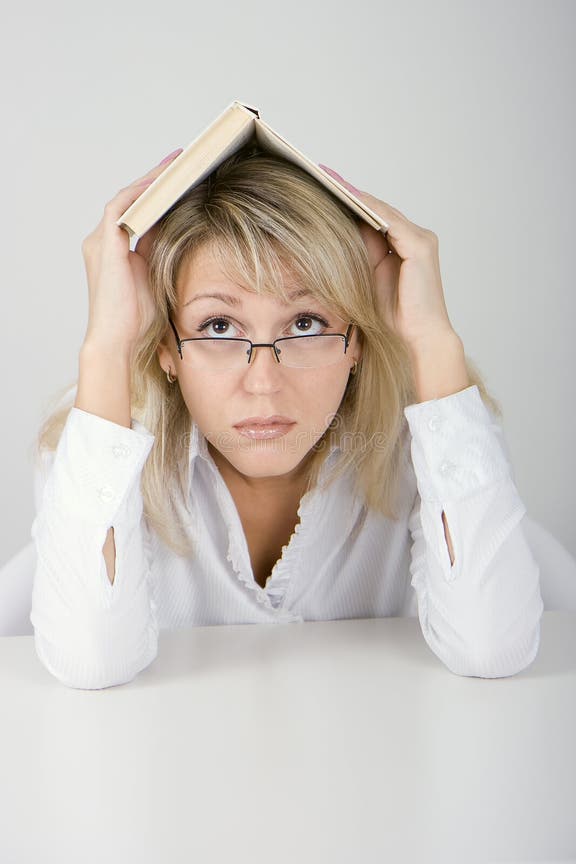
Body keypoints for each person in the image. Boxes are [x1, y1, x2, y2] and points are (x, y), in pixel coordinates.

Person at [30, 142, 544, 690]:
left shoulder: (435, 440)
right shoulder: (97, 440)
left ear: (358, 342)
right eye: (219, 327)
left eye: (305, 322)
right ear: (165, 347)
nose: (263, 383)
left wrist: (433, 342)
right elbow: (91, 662)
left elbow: (495, 648)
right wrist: (107, 347)